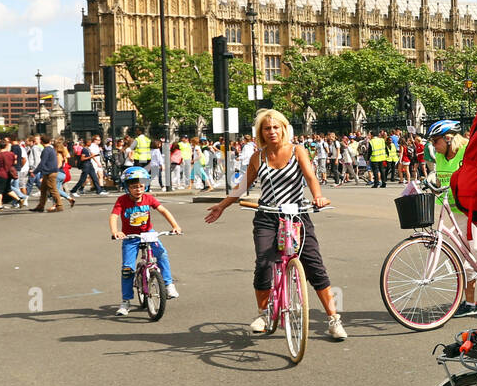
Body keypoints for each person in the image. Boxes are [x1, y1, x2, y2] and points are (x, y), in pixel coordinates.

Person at [203, 108, 347, 342]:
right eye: (267, 128)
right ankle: (264, 313)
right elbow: (242, 186)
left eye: (276, 127)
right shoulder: (257, 157)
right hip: (268, 216)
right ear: (261, 132)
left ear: (284, 129)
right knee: (264, 264)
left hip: (298, 214)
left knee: (314, 266)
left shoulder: (297, 151)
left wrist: (318, 196)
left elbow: (310, 177)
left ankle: (333, 319)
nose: (272, 132)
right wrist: (222, 205)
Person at [428, 120, 477, 317]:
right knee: (465, 258)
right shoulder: (439, 156)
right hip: (452, 212)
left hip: (472, 210)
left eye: (436, 141)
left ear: (449, 139)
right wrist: (431, 181)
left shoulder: (468, 152)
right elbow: (440, 179)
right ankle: (470, 303)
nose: (433, 145)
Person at [110, 166, 181, 314]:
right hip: (130, 237)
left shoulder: (149, 198)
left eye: (141, 186)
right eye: (134, 187)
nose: (138, 190)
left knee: (161, 254)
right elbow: (114, 216)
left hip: (148, 233)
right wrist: (116, 231)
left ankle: (168, 285)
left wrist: (175, 226)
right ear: (127, 187)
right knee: (127, 269)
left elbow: (163, 210)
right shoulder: (122, 200)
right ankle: (126, 301)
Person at [0, 137, 23, 209]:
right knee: (7, 189)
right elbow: (15, 162)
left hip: (0, 174)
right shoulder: (11, 154)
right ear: (6, 146)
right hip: (9, 173)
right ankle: (19, 199)